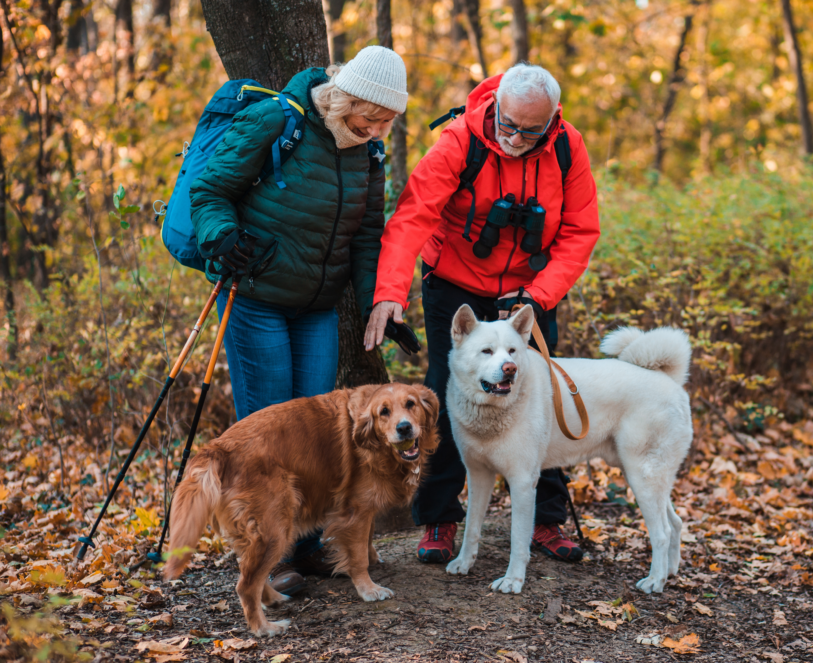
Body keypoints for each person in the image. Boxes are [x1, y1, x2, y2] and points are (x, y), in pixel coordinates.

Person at [189, 46, 409, 596]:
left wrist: (382, 301)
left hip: (317, 307)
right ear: (345, 100)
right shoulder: (278, 120)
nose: (378, 129)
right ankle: (265, 552)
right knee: (268, 432)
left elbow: (366, 239)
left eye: (387, 121)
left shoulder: (369, 153)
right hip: (255, 297)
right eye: (372, 116)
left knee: (317, 435)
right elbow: (209, 188)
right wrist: (221, 237)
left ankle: (307, 545)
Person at [365, 63, 601, 564]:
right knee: (445, 392)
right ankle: (439, 519)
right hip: (456, 286)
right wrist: (390, 291)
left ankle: (546, 520)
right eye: (508, 125)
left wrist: (539, 295)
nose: (514, 137)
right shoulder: (460, 139)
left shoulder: (566, 146)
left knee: (539, 392)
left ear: (553, 120)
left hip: (529, 294)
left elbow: (581, 232)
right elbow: (411, 219)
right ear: (497, 108)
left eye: (529, 130)